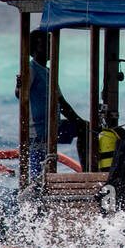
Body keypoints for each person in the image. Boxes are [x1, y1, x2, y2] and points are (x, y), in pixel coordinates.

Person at [15, 31, 87, 181]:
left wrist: (80, 121)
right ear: (34, 49)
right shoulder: (31, 69)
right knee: (38, 172)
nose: (49, 48)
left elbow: (62, 104)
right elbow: (20, 94)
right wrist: (18, 86)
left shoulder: (48, 72)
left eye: (50, 44)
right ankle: (33, 197)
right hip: (38, 131)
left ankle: (87, 173)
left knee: (85, 130)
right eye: (45, 45)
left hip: (55, 127)